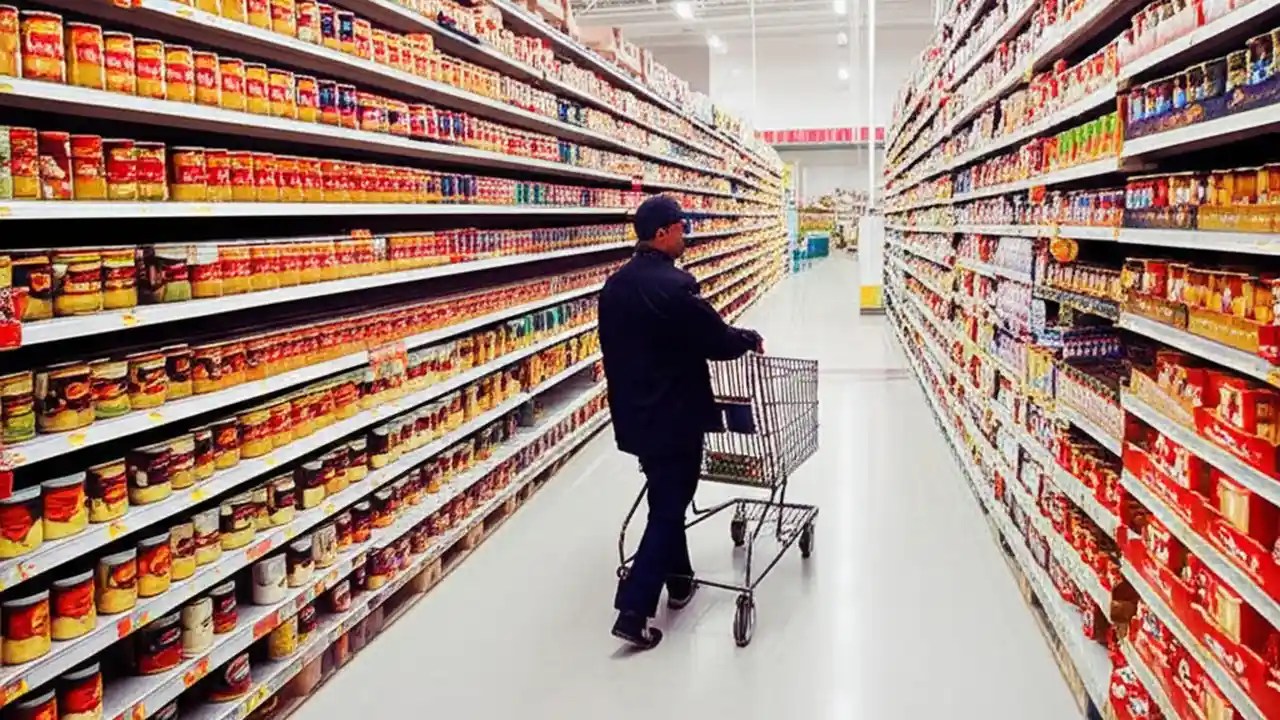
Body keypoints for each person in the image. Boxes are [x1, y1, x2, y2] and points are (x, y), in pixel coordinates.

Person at [598, 194, 764, 650]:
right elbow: (715, 338)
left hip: (635, 415)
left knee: (665, 496)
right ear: (663, 233)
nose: (685, 237)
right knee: (671, 506)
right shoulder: (674, 287)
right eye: (681, 229)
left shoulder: (614, 286)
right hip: (674, 416)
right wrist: (748, 338)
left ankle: (681, 580)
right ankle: (634, 609)